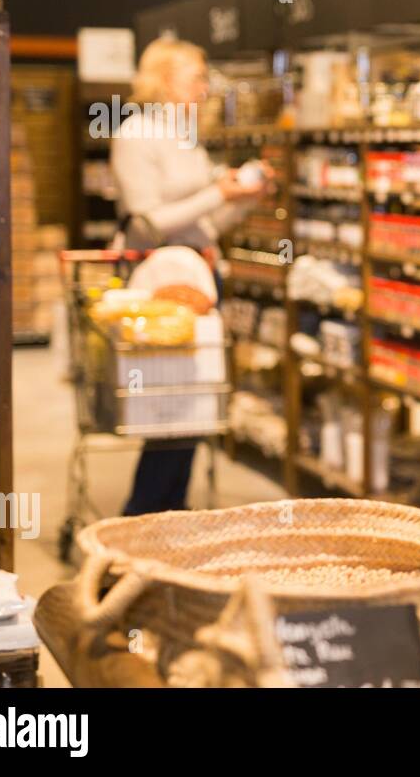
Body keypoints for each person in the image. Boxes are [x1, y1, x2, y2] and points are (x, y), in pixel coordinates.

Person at [110, 37, 265, 515]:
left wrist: (246, 198)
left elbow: (202, 222)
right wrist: (219, 192)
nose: (204, 88)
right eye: (195, 77)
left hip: (198, 278)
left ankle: (166, 516)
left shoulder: (185, 137)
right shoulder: (136, 133)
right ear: (163, 79)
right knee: (167, 410)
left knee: (192, 412)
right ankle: (141, 520)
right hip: (159, 286)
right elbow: (149, 219)